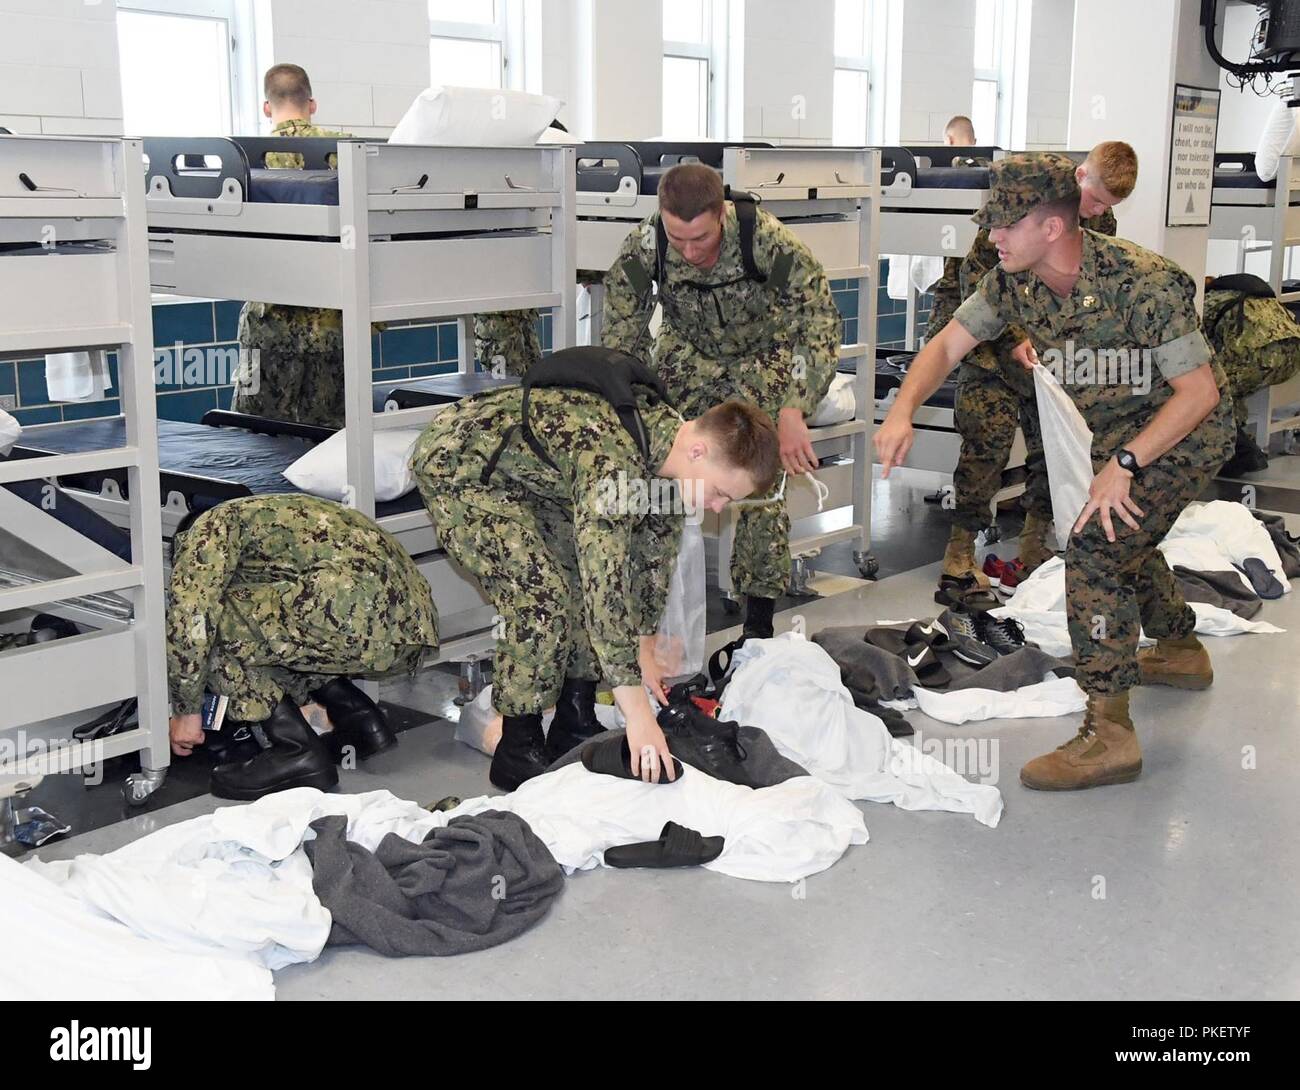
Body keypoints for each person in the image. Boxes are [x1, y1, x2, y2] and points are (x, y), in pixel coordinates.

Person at [875, 153, 1233, 792]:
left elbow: (1199, 393)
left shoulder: (1143, 283)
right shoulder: (1013, 281)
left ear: (1052, 228)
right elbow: (945, 346)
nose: (992, 237)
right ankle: (1179, 647)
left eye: (1006, 224)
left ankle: (1110, 733)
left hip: (1185, 434)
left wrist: (1125, 464)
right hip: (1119, 435)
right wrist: (901, 410)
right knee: (1121, 533)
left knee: (1094, 548)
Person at [409, 345, 782, 791]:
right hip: (464, 467)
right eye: (721, 492)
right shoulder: (610, 460)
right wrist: (638, 716)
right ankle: (518, 744)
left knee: (579, 581)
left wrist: (643, 643)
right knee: (542, 593)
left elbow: (651, 560)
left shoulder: (668, 464)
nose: (719, 506)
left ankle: (575, 715)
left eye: (729, 501)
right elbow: (603, 584)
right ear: (699, 450)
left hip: (538, 478)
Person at [600, 164, 841, 639]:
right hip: (687, 350)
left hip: (762, 355)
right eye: (678, 239)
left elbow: (818, 319)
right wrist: (628, 403)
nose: (689, 252)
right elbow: (622, 332)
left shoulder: (766, 240)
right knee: (651, 463)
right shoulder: (647, 245)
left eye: (701, 239)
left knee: (757, 479)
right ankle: (644, 614)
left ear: (722, 215)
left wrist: (796, 404)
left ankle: (757, 625)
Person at [926, 141, 1138, 605]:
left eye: (1109, 206)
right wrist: (1014, 336)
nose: (1100, 211)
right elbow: (978, 284)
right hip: (986, 342)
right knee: (987, 442)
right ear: (1081, 177)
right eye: (1098, 199)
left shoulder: (1100, 223)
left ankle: (1033, 550)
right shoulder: (1020, 207)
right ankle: (958, 558)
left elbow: (1091, 286)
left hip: (1048, 351)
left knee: (1053, 447)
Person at [166, 494, 440, 800]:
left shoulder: (204, 531)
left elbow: (192, 620)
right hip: (414, 624)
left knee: (211, 621)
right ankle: (360, 721)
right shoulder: (271, 515)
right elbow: (286, 633)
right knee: (266, 626)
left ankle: (294, 752)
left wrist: (186, 711)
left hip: (353, 613)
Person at [232, 64, 353, 428]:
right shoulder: (345, 151)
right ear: (311, 104)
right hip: (331, 321)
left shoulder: (241, 157)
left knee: (256, 436)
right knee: (332, 438)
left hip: (269, 322)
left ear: (266, 108)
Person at [1202, 272, 1300, 475]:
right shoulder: (1246, 291)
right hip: (1293, 354)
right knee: (1228, 379)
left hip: (1258, 357)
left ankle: (1241, 450)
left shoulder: (1208, 300)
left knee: (1212, 386)